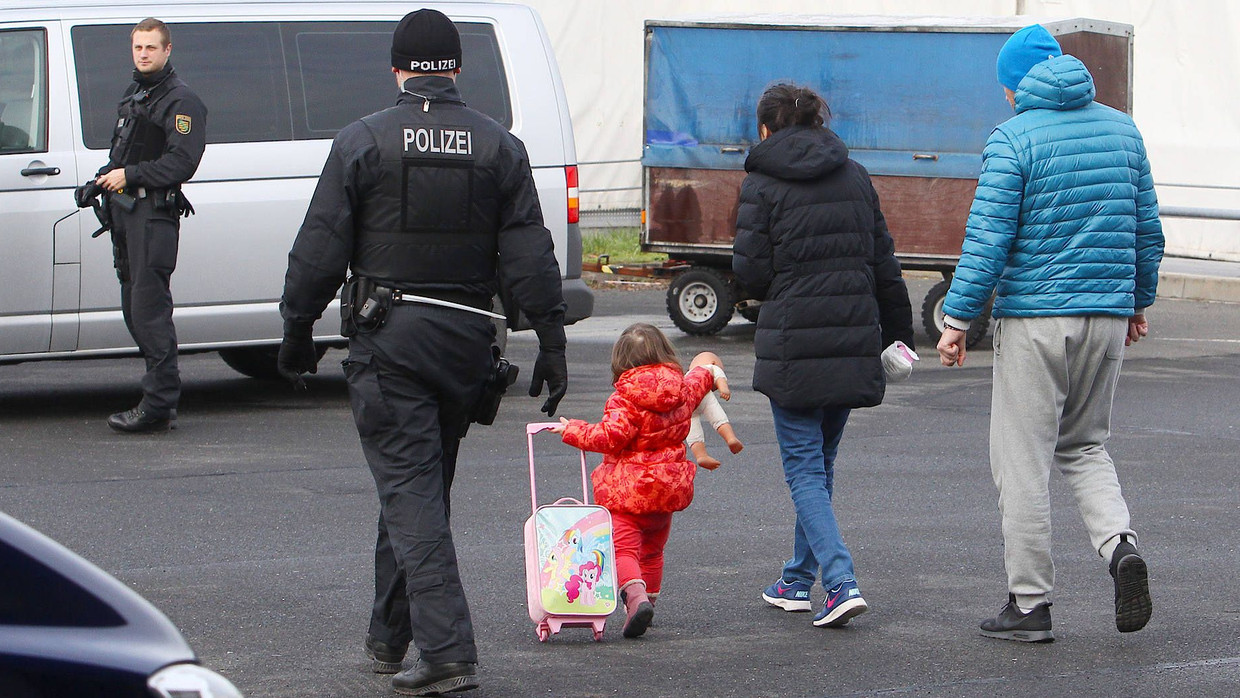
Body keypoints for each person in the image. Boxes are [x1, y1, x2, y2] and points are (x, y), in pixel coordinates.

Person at [277, 9, 568, 695]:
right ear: (458, 68)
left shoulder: (363, 140)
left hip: (392, 343)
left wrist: (296, 331)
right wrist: (552, 342)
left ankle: (447, 651)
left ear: (397, 67)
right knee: (418, 487)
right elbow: (529, 252)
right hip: (467, 344)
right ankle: (389, 637)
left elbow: (319, 247)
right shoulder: (500, 146)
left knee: (410, 492)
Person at [936, 25, 1161, 642]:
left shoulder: (1013, 138)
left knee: (1023, 458)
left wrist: (958, 320)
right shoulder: (1123, 129)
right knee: (1085, 444)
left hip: (1037, 319)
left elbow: (988, 241)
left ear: (1013, 87)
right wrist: (1137, 302)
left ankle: (1030, 603)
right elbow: (1147, 229)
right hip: (1108, 319)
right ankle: (1120, 547)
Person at [732, 82, 915, 628]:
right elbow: (885, 263)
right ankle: (795, 581)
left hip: (794, 342)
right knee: (820, 467)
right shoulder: (855, 176)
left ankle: (838, 582)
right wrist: (897, 335)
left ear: (765, 129)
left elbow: (752, 273)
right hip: (854, 337)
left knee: (805, 472)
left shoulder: (761, 185)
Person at [74, 17, 205, 433]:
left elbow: (182, 161)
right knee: (134, 308)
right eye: (138, 48)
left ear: (168, 50)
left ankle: (159, 404)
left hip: (154, 217)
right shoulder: (137, 94)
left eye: (151, 47)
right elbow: (123, 153)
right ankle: (157, 397)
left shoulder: (181, 100)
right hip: (128, 215)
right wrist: (100, 180)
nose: (144, 54)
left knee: (149, 311)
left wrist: (130, 176)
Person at [547, 324, 720, 638]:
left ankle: (636, 597)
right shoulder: (682, 389)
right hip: (666, 490)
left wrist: (572, 430)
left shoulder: (624, 398)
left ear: (622, 362)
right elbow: (700, 378)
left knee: (622, 549)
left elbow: (610, 436)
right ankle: (647, 603)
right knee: (653, 550)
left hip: (628, 494)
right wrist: (710, 369)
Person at [684, 355, 743, 470]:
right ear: (714, 362)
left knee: (692, 427)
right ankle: (730, 438)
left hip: (687, 401)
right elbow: (720, 378)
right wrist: (723, 389)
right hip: (703, 394)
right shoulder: (710, 367)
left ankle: (701, 455)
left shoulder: (688, 375)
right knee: (717, 417)